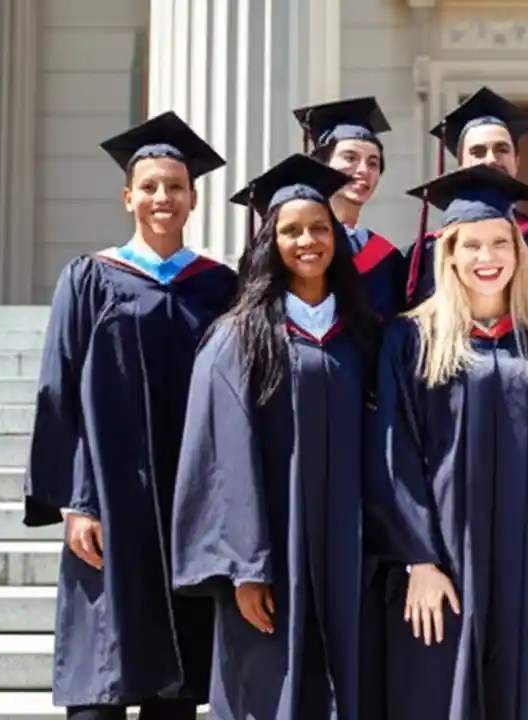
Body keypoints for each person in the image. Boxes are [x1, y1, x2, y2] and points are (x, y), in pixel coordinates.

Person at [23, 111, 236, 720]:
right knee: (102, 681)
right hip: (109, 502)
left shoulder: (217, 286)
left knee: (177, 687)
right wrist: (74, 501)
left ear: (193, 197)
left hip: (189, 507)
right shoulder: (90, 277)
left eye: (174, 186)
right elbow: (57, 391)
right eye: (149, 187)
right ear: (127, 197)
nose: (162, 197)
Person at [169, 155, 377, 719]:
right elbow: (221, 460)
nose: (308, 240)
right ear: (270, 242)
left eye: (319, 227)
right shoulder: (238, 336)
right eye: (291, 230)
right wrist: (245, 566)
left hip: (350, 552)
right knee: (269, 685)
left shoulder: (363, 334)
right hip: (271, 552)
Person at [370, 165, 528, 719]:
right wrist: (418, 561)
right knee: (438, 694)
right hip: (444, 565)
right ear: (450, 254)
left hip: (520, 562)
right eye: (473, 245)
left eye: (500, 243)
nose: (488, 257)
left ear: (517, 250)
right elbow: (395, 456)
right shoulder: (412, 339)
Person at [405, 87, 528, 306]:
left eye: (501, 149)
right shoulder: (430, 251)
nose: (491, 160)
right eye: (478, 152)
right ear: (461, 163)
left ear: (517, 161)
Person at [294, 96, 407, 319]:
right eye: (350, 157)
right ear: (322, 164)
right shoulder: (295, 244)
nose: (363, 170)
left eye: (373, 163)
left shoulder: (386, 258)